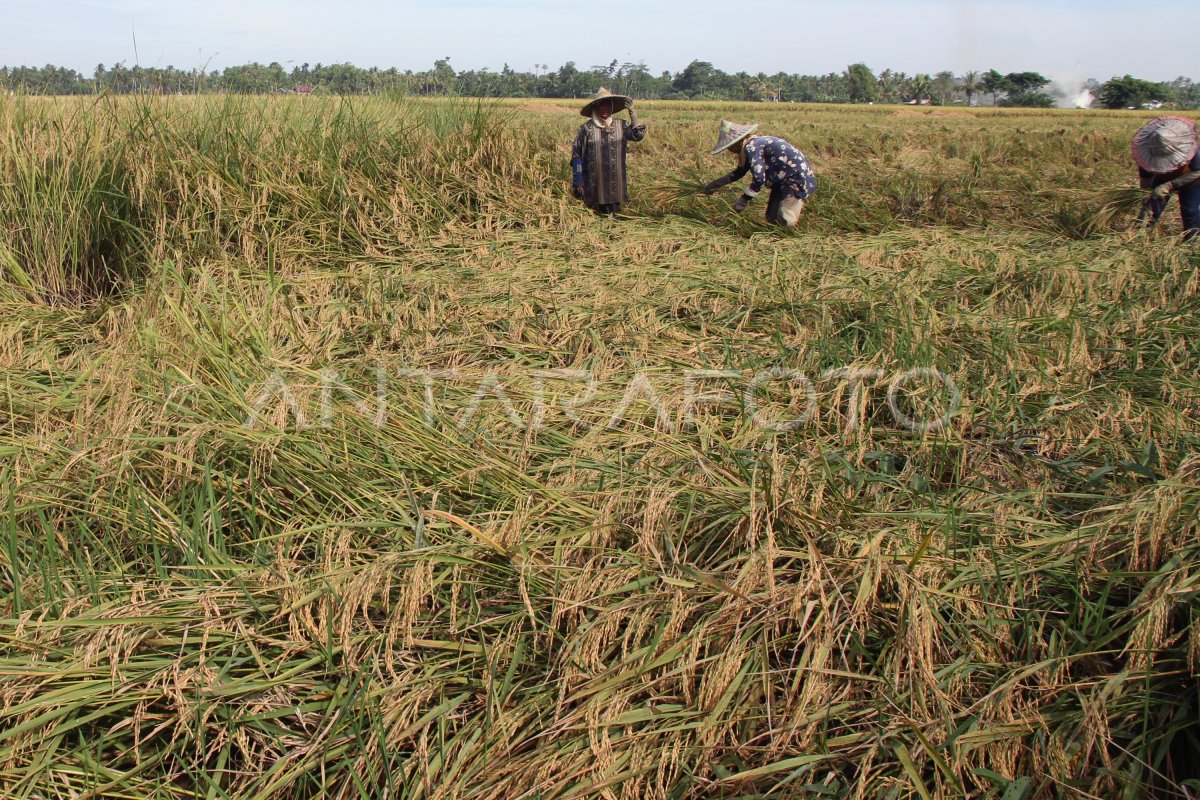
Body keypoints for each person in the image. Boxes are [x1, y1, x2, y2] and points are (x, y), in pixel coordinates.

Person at [701, 121, 817, 227]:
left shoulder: (752, 147)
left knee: (785, 219)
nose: (730, 150)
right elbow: (738, 173)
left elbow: (759, 178)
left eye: (729, 146)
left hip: (795, 179)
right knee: (772, 218)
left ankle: (787, 242)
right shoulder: (752, 145)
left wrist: (744, 199)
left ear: (736, 143)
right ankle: (775, 238)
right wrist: (712, 186)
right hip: (782, 182)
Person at [571, 88, 647, 216]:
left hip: (614, 184)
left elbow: (637, 135)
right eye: (602, 105)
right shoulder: (587, 129)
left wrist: (632, 113)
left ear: (612, 108)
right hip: (593, 184)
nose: (605, 109)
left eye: (608, 105)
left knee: (614, 217)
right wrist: (578, 179)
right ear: (596, 107)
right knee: (594, 216)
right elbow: (577, 155)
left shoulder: (621, 126)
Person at [1133, 116, 1199, 242]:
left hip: (1192, 179)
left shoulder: (1192, 149)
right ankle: (1140, 237)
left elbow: (1198, 171)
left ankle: (1191, 242)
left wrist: (1169, 185)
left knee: (1190, 210)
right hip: (1162, 177)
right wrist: (1146, 197)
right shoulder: (1147, 154)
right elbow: (1145, 179)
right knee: (1152, 208)